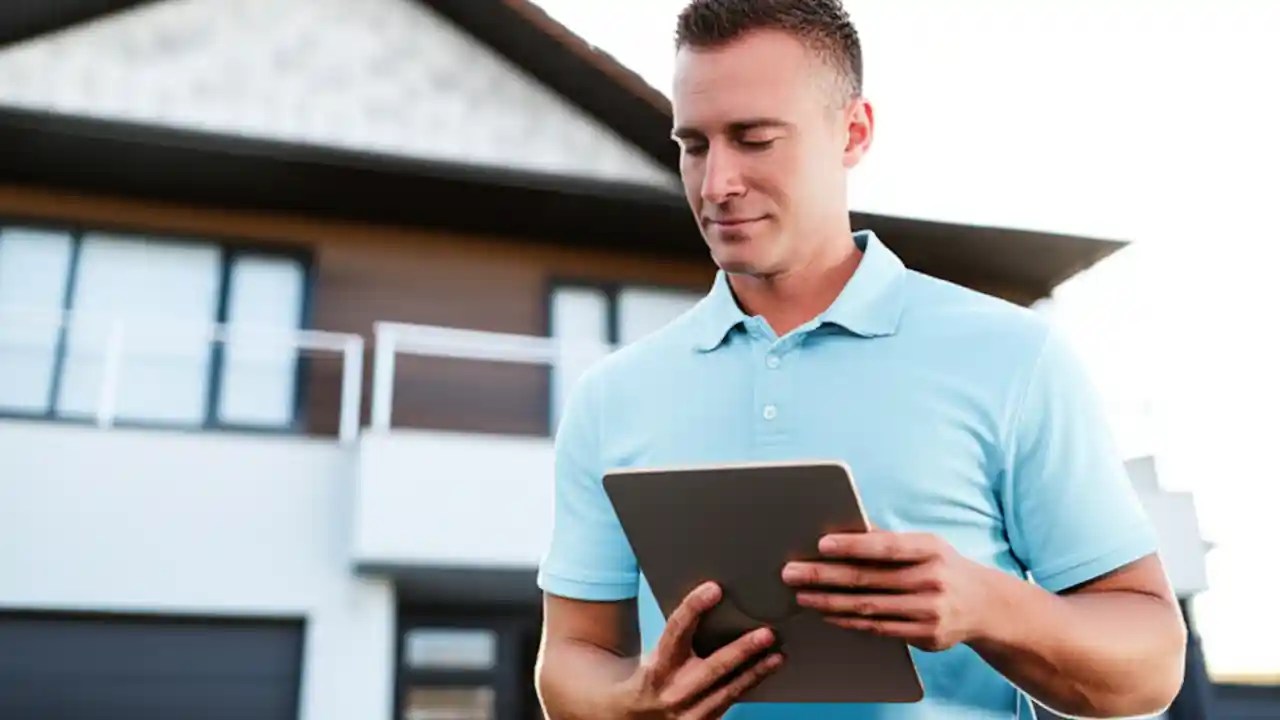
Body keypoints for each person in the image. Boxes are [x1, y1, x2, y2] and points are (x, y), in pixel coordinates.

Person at [533, 1, 1188, 718]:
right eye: (695, 144)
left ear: (853, 132)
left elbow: (1152, 665)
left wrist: (988, 606)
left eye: (754, 139)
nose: (716, 183)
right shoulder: (612, 397)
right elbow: (568, 659)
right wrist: (629, 705)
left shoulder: (1014, 358)